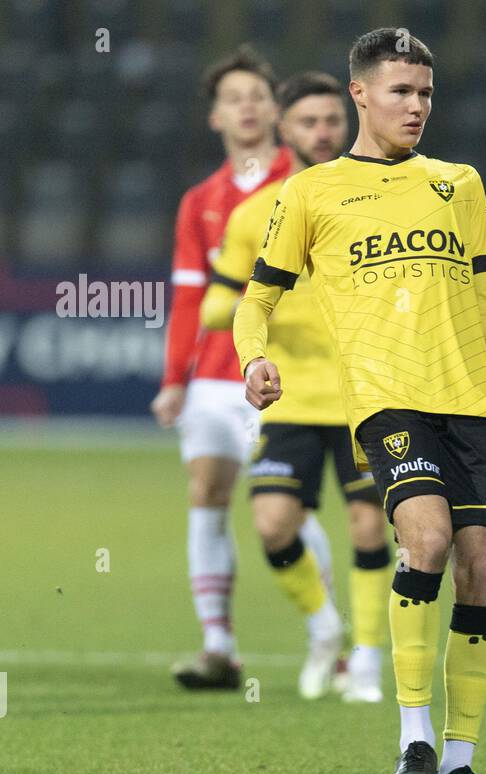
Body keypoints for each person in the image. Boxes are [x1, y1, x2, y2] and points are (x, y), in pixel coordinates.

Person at [234, 29, 486, 774]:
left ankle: (455, 763)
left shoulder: (459, 183)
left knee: (482, 569)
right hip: (387, 401)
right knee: (430, 539)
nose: (417, 107)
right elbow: (259, 296)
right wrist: (254, 358)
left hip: (469, 405)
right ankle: (413, 735)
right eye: (401, 93)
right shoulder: (312, 192)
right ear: (360, 95)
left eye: (426, 94)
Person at [202, 71, 393, 702]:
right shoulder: (258, 214)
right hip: (292, 396)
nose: (322, 132)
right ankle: (322, 626)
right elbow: (222, 303)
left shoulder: (379, 202)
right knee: (273, 525)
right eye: (307, 122)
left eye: (331, 120)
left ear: (347, 123)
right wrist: (254, 329)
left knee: (371, 528)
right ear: (284, 129)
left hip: (366, 396)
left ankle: (366, 658)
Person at [154, 45, 294, 690]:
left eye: (257, 96)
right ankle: (218, 647)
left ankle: (333, 643)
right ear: (215, 117)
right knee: (207, 496)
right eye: (233, 98)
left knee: (286, 510)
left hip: (290, 371)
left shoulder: (307, 183)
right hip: (214, 375)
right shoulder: (199, 201)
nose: (246, 107)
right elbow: (187, 297)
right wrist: (173, 379)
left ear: (275, 109)